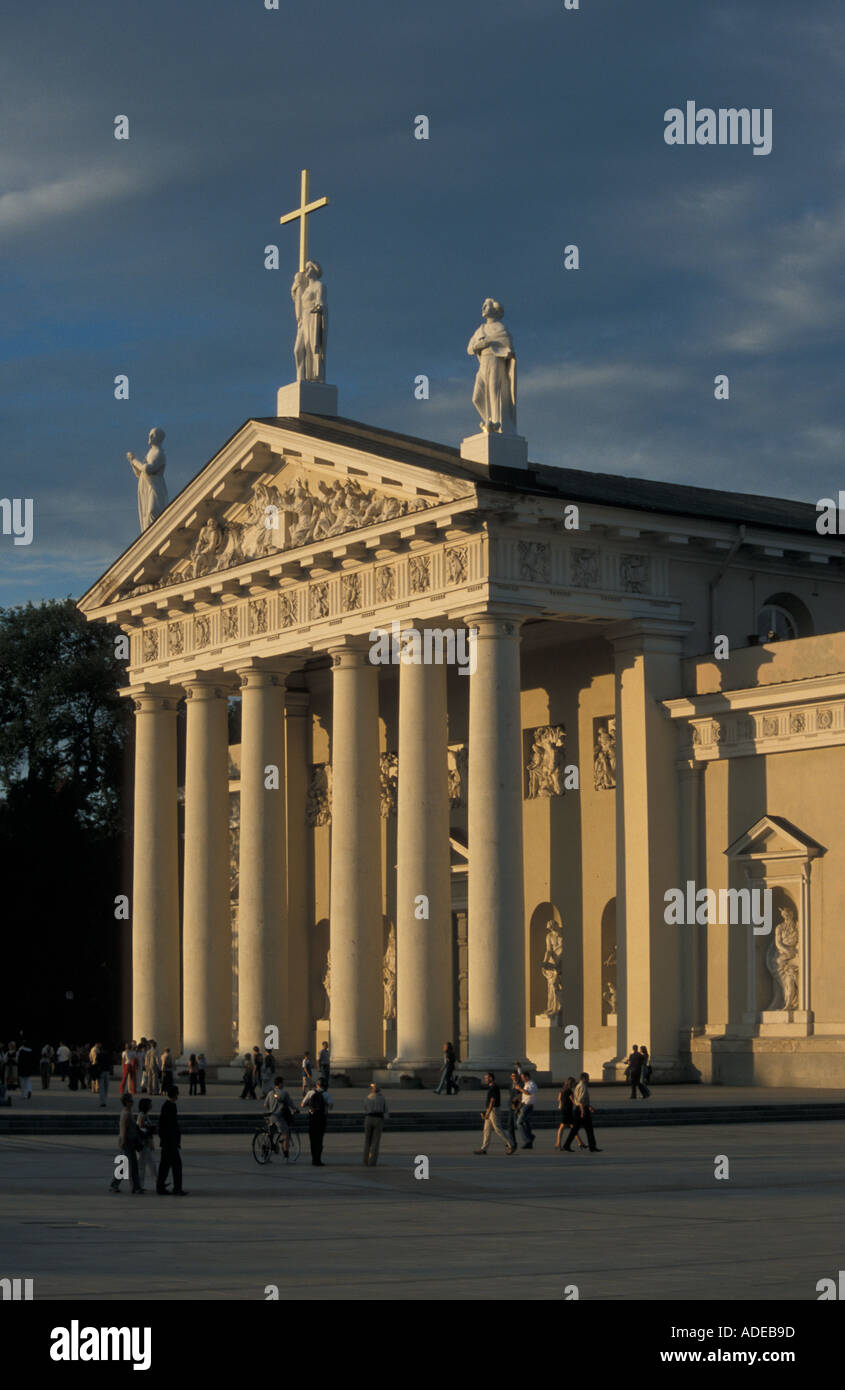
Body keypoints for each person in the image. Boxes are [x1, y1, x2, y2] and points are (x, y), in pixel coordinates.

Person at [474, 1072, 515, 1155]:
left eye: (486, 1078)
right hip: (490, 1110)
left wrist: (488, 1113)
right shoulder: (491, 1087)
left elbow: (492, 1101)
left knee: (497, 1129)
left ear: (491, 1078)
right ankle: (484, 1148)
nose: (485, 1079)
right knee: (486, 1130)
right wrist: (487, 1112)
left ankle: (511, 1144)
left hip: (493, 1110)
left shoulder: (494, 1087)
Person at [109, 1094, 143, 1194]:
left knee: (125, 1165)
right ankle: (135, 1187)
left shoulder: (128, 1112)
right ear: (126, 1102)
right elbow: (123, 1128)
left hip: (129, 1141)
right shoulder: (126, 1114)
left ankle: (114, 1185)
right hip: (127, 1142)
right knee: (132, 1165)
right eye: (130, 1101)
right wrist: (123, 1141)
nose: (132, 1102)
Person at [157, 1086, 187, 1195]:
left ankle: (160, 1187)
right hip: (170, 1143)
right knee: (176, 1165)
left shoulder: (167, 1106)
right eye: (177, 1093)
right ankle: (177, 1189)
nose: (178, 1095)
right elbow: (170, 1126)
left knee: (164, 1165)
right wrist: (174, 1141)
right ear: (174, 1094)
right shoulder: (170, 1106)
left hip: (167, 1142)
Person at [562, 1073, 602, 1153]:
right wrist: (583, 1111)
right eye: (588, 1078)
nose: (589, 1080)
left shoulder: (578, 1086)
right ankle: (591, 1146)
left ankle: (591, 1146)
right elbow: (580, 1100)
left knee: (581, 1129)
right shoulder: (583, 1086)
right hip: (581, 1110)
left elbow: (579, 1100)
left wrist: (589, 1106)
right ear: (584, 1078)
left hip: (580, 1109)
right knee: (585, 1129)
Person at [264, 1076, 296, 1158]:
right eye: (283, 1083)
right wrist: (296, 1109)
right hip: (278, 1117)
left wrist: (271, 1109)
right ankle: (285, 1151)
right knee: (286, 1133)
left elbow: (265, 1105)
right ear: (280, 1084)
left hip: (270, 1117)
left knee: (271, 1133)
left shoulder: (270, 1092)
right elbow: (291, 1104)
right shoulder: (284, 1093)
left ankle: (267, 1149)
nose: (284, 1084)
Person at [556, 1077, 586, 1151]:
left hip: (564, 1110)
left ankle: (580, 1142)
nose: (574, 1084)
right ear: (571, 1083)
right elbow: (574, 1101)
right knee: (563, 1127)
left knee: (572, 1127)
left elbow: (559, 1099)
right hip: (568, 1111)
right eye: (573, 1083)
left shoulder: (562, 1090)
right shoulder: (569, 1091)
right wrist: (581, 1106)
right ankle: (558, 1143)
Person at [303, 1077, 328, 1166]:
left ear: (317, 1084)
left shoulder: (310, 1092)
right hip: (322, 1119)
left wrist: (310, 1105)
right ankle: (318, 1159)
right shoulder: (326, 1094)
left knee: (312, 1139)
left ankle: (314, 1159)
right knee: (320, 1140)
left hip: (312, 1118)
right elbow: (331, 1106)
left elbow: (302, 1104)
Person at [362, 1083, 389, 1166]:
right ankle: (372, 1161)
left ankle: (365, 1160)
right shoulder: (382, 1098)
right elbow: (386, 1110)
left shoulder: (367, 1098)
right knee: (375, 1141)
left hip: (368, 1118)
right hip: (378, 1118)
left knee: (367, 1141)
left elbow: (365, 1108)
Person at [136, 1098, 158, 1191]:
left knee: (152, 1164)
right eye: (150, 1104)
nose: (151, 1106)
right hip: (143, 1143)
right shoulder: (141, 1115)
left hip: (146, 1143)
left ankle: (158, 1182)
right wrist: (150, 1127)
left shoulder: (146, 1115)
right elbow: (140, 1126)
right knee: (142, 1166)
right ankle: (139, 1185)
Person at [516, 1070, 537, 1148]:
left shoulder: (532, 1084)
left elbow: (528, 1093)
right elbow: (525, 1096)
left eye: (523, 1077)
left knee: (519, 1123)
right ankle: (529, 1142)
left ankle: (528, 1139)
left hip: (528, 1106)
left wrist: (519, 1089)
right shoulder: (526, 1084)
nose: (522, 1079)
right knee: (526, 1123)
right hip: (525, 1105)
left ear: (527, 1077)